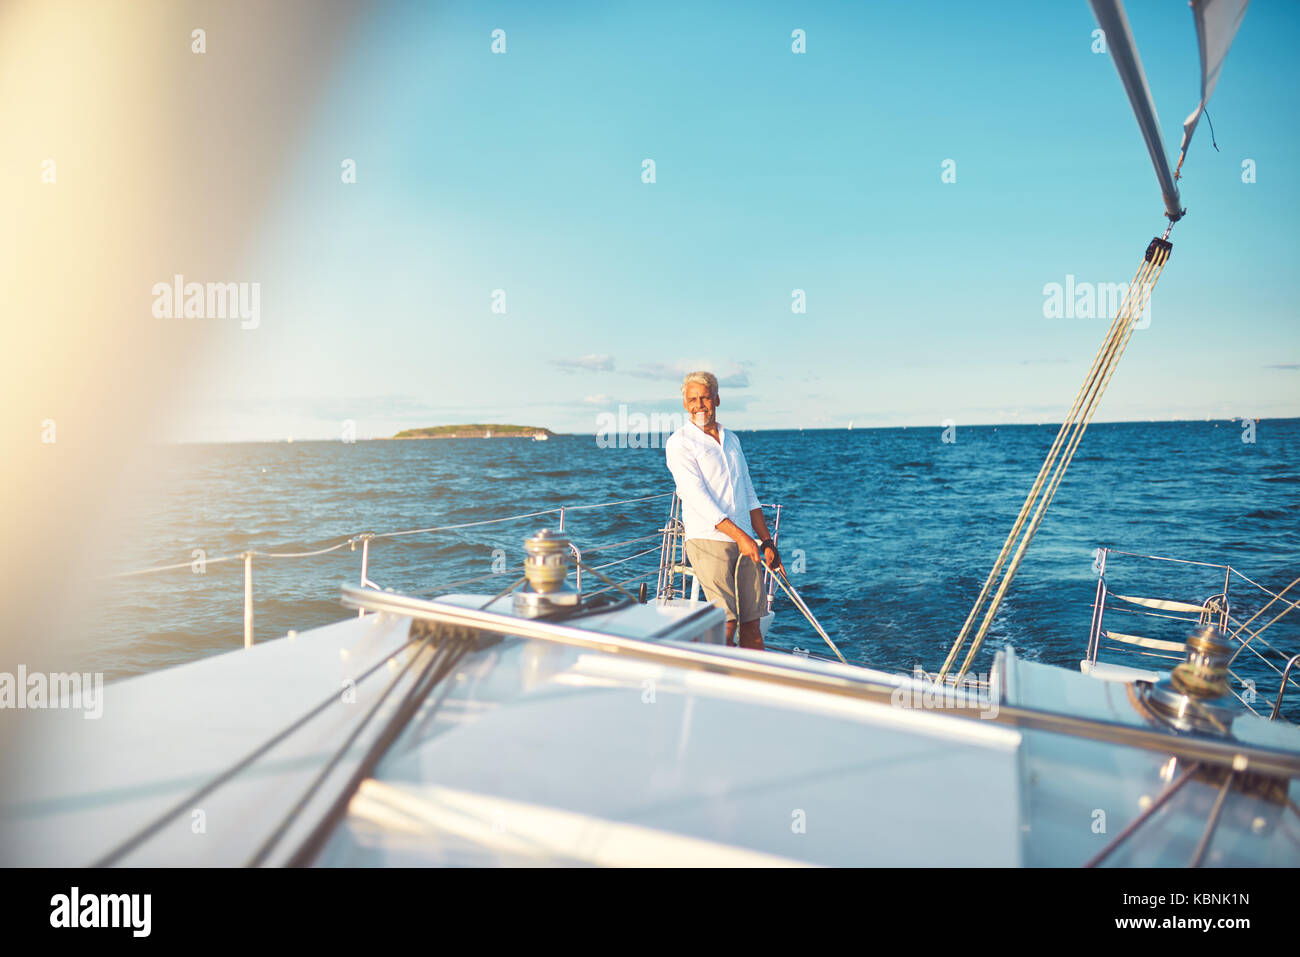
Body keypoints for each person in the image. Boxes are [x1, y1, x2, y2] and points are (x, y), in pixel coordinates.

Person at [664, 371, 781, 650]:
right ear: (684, 404)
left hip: (746, 543)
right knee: (725, 621)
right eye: (692, 399)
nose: (699, 405)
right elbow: (698, 497)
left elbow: (748, 493)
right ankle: (718, 684)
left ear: (717, 398)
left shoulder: (732, 440)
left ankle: (752, 684)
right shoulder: (679, 443)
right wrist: (742, 537)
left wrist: (766, 540)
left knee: (752, 622)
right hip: (707, 540)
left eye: (705, 397)